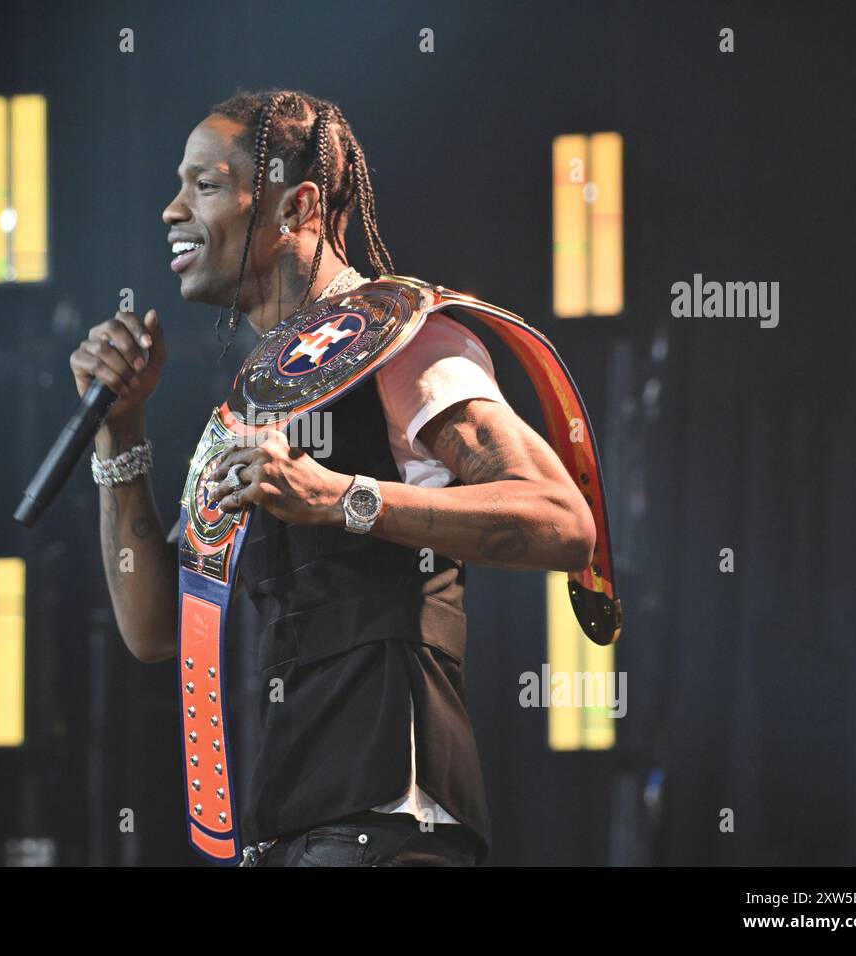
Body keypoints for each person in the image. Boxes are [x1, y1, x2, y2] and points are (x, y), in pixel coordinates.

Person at [68, 89, 597, 866]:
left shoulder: (404, 343)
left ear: (296, 205)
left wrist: (340, 498)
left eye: (206, 185)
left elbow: (563, 521)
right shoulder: (253, 404)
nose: (171, 211)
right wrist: (121, 430)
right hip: (293, 835)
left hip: (389, 829)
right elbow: (156, 632)